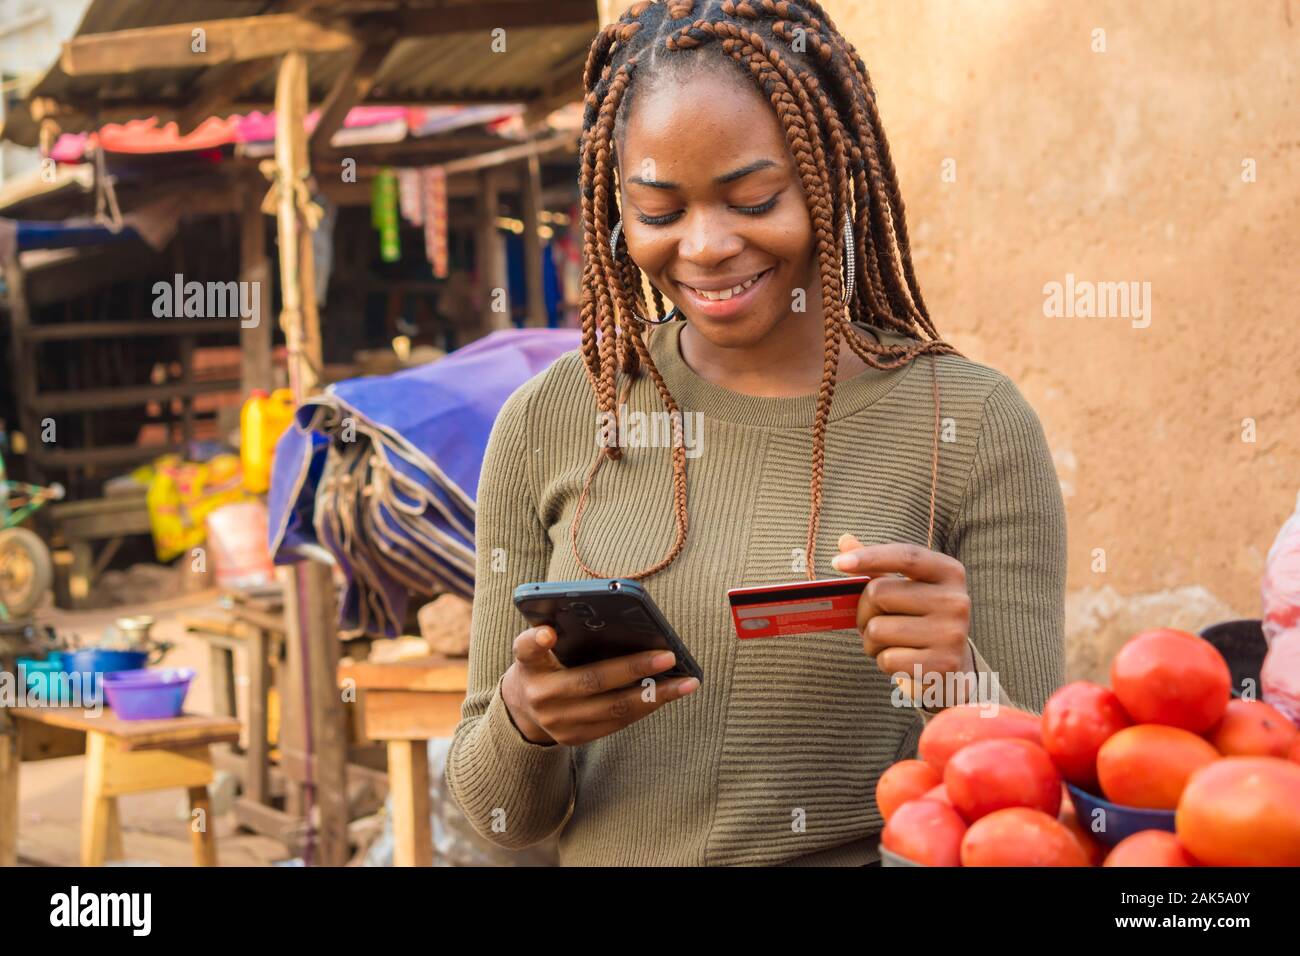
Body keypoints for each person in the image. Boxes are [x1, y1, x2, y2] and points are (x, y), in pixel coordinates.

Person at [445, 0, 1066, 866]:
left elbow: (1044, 804)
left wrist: (957, 682)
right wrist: (525, 723)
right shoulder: (553, 420)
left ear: (831, 176)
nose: (705, 246)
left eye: (754, 198)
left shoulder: (969, 426)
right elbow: (498, 818)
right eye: (660, 213)